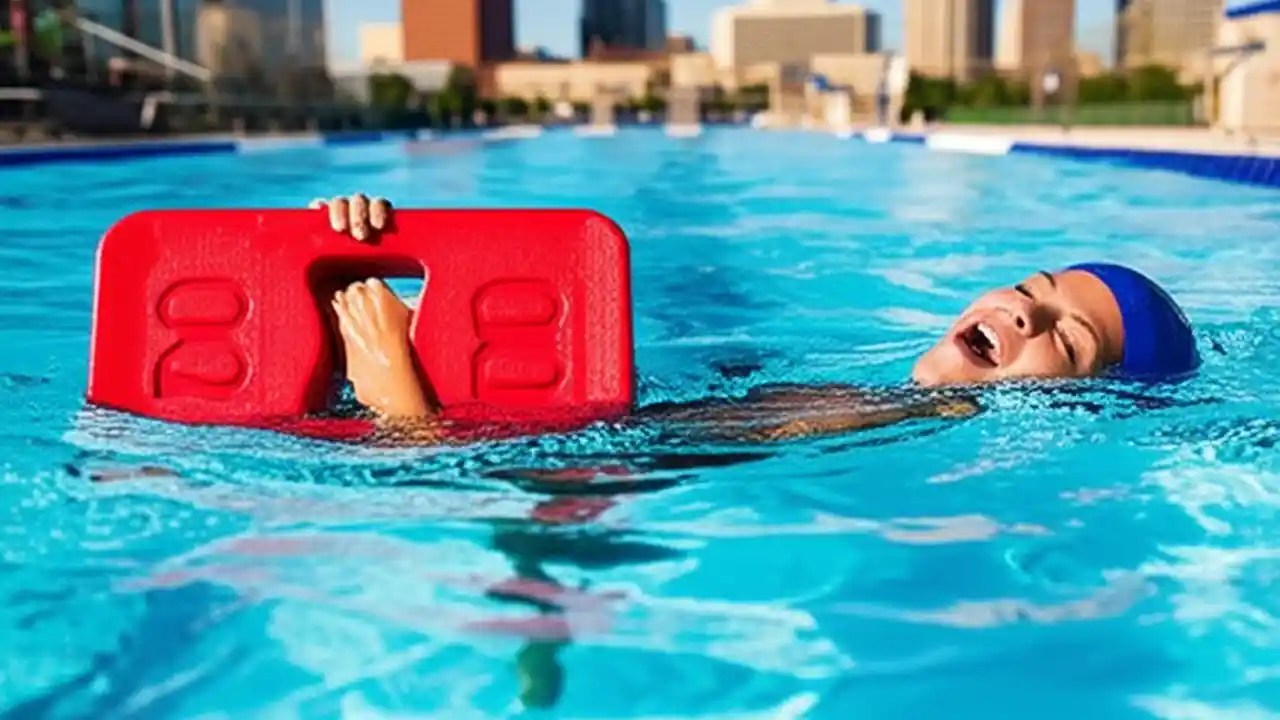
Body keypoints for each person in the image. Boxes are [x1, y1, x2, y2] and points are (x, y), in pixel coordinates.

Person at [310, 194, 1201, 443]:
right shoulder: (870, 389)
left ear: (1091, 405)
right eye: (1032, 287)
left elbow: (573, 476)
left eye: (1066, 338)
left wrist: (400, 406)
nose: (1022, 309)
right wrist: (353, 249)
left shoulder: (870, 417)